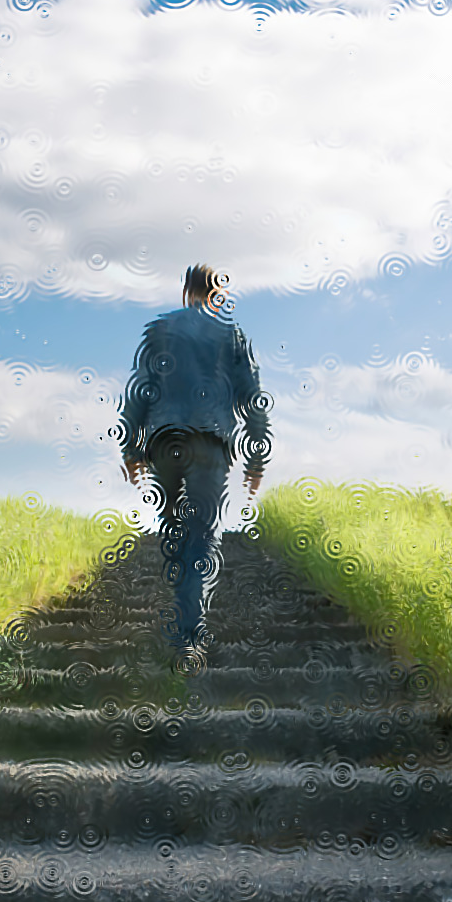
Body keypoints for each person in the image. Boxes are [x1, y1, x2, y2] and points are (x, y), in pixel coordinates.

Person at [118, 264, 271, 668]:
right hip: (210, 443)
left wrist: (130, 449)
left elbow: (141, 389)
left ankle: (181, 621)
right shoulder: (231, 335)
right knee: (201, 537)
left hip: (164, 441)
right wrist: (257, 456)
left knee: (173, 532)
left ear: (186, 292)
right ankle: (189, 636)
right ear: (217, 294)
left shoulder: (159, 331)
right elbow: (253, 397)